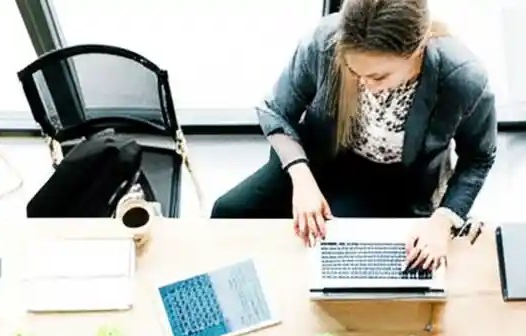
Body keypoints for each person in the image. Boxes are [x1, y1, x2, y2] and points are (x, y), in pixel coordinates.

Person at [212, 0, 496, 270]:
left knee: (334, 248)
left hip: (395, 182)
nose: (364, 84)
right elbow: (275, 111)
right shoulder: (324, 40)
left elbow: (479, 157)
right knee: (228, 212)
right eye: (352, 70)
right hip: (316, 157)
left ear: (417, 50)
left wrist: (443, 221)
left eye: (378, 77)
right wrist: (301, 176)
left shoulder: (462, 77)